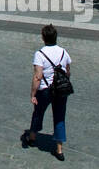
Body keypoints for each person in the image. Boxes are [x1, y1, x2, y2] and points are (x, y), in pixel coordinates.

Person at [22, 24, 71, 161]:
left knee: (38, 112)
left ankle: (32, 137)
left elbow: (38, 76)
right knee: (60, 117)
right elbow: (68, 71)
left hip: (45, 89)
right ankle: (59, 150)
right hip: (60, 90)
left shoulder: (40, 54)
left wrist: (32, 94)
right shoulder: (63, 52)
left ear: (43, 38)